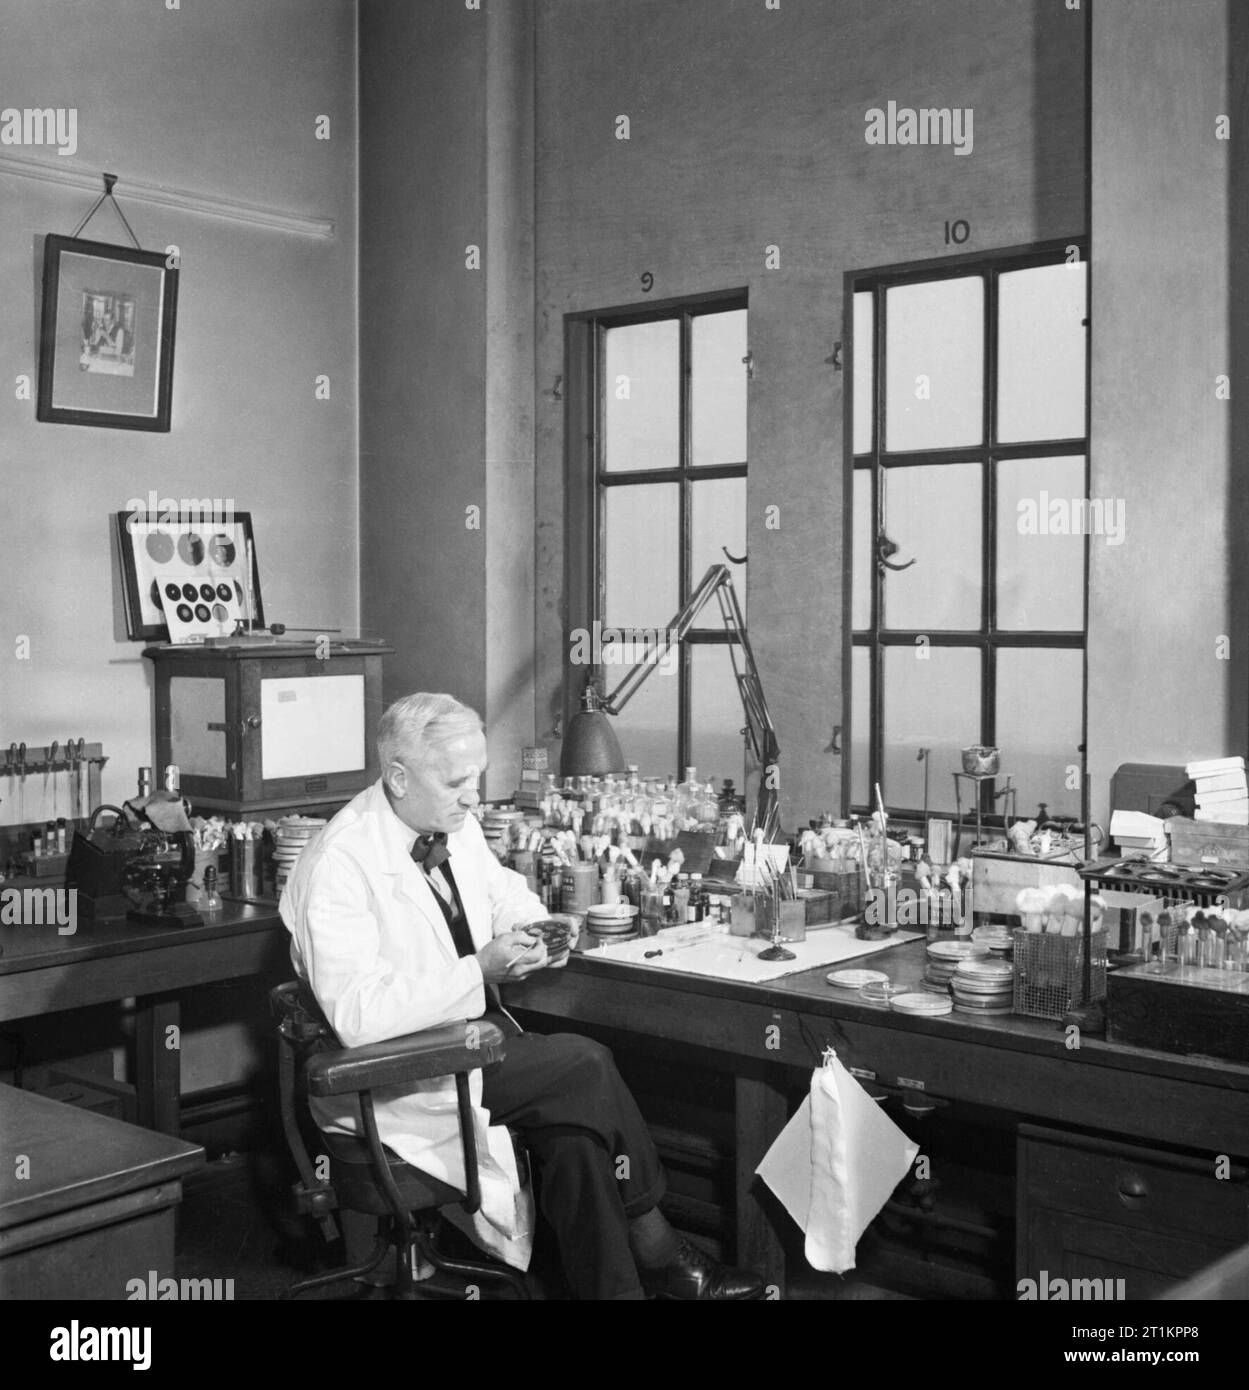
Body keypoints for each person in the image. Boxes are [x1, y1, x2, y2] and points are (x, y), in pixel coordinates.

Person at [281, 691, 765, 1301]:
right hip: (398, 1075)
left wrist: (538, 930)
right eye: (457, 781)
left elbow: (501, 889)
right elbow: (358, 1016)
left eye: (478, 777)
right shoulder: (341, 862)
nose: (473, 796)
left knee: (578, 1137)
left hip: (468, 1043)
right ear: (399, 777)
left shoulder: (446, 822)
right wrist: (478, 967)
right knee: (586, 1065)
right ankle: (660, 1247)